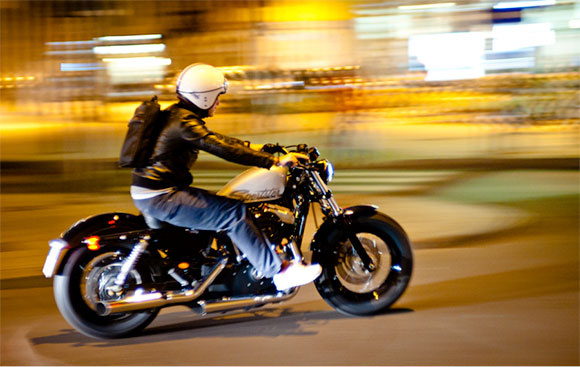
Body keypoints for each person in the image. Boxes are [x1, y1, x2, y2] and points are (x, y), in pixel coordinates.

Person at [130, 63, 322, 291]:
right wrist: (274, 162)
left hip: (157, 191)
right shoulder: (184, 123)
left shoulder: (179, 115)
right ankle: (279, 272)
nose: (219, 102)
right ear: (203, 97)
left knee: (226, 202)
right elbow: (220, 147)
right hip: (162, 196)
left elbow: (220, 140)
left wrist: (261, 148)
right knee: (234, 213)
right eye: (217, 97)